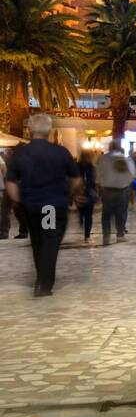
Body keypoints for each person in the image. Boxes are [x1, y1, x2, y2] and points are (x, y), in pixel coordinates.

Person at [3, 113, 82, 296]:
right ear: (49, 131)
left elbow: (10, 181)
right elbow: (76, 179)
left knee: (38, 242)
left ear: (30, 131)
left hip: (30, 206)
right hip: (51, 206)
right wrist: (70, 193)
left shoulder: (20, 152)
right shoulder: (60, 152)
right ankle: (43, 284)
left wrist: (18, 201)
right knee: (49, 242)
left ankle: (41, 278)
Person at [94, 140, 135, 244]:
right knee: (121, 212)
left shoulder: (103, 158)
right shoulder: (125, 158)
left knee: (106, 214)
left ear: (109, 147)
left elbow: (97, 173)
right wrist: (125, 182)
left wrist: (100, 183)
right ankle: (120, 235)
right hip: (122, 189)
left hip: (107, 190)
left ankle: (106, 236)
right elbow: (132, 174)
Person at [75, 148, 98, 244]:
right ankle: (87, 236)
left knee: (82, 210)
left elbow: (73, 179)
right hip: (89, 193)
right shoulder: (91, 167)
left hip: (79, 192)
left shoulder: (76, 166)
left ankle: (81, 217)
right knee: (89, 215)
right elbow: (93, 181)